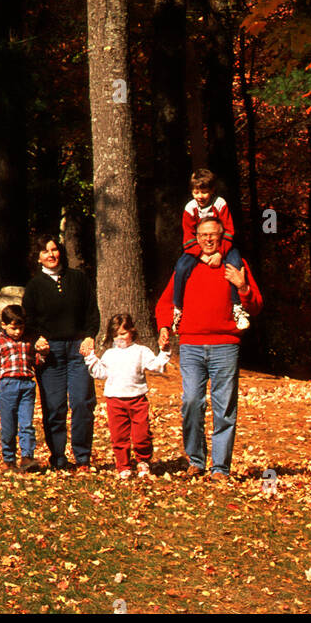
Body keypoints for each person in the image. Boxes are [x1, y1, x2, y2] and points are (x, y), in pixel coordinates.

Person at [155, 216, 262, 484]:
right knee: (191, 402)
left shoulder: (235, 265)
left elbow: (257, 305)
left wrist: (243, 286)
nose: (208, 239)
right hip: (190, 345)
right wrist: (164, 327)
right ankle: (196, 460)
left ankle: (220, 469)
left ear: (222, 236)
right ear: (197, 238)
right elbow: (165, 302)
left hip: (225, 345)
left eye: (213, 234)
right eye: (203, 235)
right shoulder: (187, 266)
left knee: (224, 408)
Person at [23, 237, 100, 472]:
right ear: (38, 257)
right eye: (45, 251)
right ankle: (58, 458)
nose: (51, 254)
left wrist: (89, 335)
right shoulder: (34, 286)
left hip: (78, 349)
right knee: (54, 406)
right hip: (51, 354)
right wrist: (37, 339)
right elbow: (28, 321)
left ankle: (83, 458)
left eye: (54, 249)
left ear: (61, 252)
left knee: (82, 403)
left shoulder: (78, 279)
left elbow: (92, 312)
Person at [81, 312, 171, 478]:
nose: (119, 338)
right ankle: (123, 466)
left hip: (137, 399)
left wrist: (164, 352)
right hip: (115, 400)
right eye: (115, 335)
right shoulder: (109, 354)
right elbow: (100, 373)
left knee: (141, 435)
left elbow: (156, 365)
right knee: (119, 436)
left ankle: (143, 461)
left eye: (123, 333)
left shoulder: (141, 351)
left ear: (132, 331)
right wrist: (91, 358)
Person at [174, 169, 248, 333]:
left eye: (204, 192)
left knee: (235, 264)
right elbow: (188, 237)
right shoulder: (190, 208)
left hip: (222, 246)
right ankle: (178, 308)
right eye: (196, 192)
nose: (200, 196)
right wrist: (202, 255)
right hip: (197, 249)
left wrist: (220, 253)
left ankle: (237, 307)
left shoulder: (220, 204)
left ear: (212, 190)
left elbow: (229, 231)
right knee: (181, 268)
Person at [0, 304, 44, 474]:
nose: (17, 332)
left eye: (20, 328)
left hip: (27, 385)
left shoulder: (28, 342)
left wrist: (43, 354)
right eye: (14, 328)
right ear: (3, 325)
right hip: (8, 386)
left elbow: (36, 361)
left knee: (26, 423)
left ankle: (27, 457)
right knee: (8, 425)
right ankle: (9, 459)